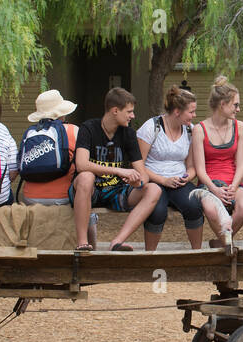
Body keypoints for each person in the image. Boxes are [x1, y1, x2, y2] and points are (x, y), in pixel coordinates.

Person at [71, 87, 162, 251]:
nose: (132, 116)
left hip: (115, 191)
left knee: (154, 189)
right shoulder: (88, 128)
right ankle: (83, 243)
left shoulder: (128, 134)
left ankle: (117, 242)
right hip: (89, 191)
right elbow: (81, 164)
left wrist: (137, 182)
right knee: (86, 177)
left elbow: (143, 174)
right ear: (115, 111)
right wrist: (120, 171)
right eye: (129, 112)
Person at [139, 85, 205, 251]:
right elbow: (138, 164)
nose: (194, 115)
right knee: (158, 211)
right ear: (177, 112)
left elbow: (191, 167)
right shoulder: (151, 127)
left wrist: (186, 177)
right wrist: (163, 180)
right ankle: (150, 255)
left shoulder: (190, 130)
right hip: (155, 180)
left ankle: (197, 253)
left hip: (178, 180)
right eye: (191, 112)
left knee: (194, 205)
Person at [189, 76, 243, 247]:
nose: (238, 109)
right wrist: (214, 189)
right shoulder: (199, 130)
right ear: (222, 104)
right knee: (210, 209)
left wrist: (234, 186)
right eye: (236, 105)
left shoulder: (241, 127)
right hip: (208, 184)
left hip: (233, 182)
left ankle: (221, 242)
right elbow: (200, 169)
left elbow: (240, 164)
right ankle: (227, 245)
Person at [18, 89, 79, 206]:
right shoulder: (73, 130)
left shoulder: (31, 133)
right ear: (61, 112)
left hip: (30, 197)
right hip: (63, 197)